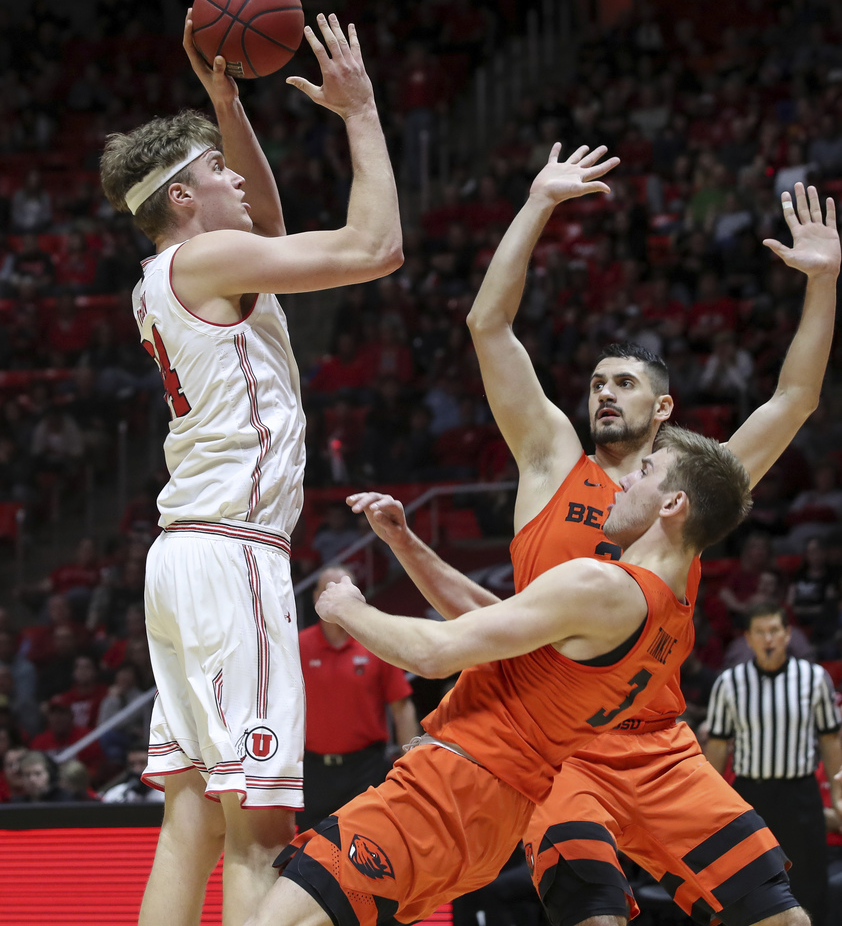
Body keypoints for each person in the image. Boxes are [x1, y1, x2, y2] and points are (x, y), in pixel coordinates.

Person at [462, 145, 840, 926]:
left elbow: (794, 398)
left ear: (663, 408)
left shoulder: (691, 486)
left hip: (660, 744)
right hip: (559, 745)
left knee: (784, 918)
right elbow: (488, 325)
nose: (604, 392)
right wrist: (538, 202)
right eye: (597, 383)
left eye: (624, 383)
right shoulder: (551, 460)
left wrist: (824, 282)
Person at [98, 10, 402, 926]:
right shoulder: (210, 260)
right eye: (216, 170)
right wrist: (360, 112)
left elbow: (265, 219)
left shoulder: (171, 274)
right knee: (262, 832)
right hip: (233, 555)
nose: (235, 173)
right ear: (183, 199)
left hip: (185, 556)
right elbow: (375, 249)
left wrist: (225, 105)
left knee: (191, 818)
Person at [243, 426, 756, 926]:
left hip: (448, 790)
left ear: (673, 504)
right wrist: (405, 542)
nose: (623, 480)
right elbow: (502, 628)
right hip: (493, 820)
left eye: (644, 472)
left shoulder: (602, 585)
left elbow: (433, 655)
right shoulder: (675, 623)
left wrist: (347, 608)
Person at [705, 601, 842, 926]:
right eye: (760, 632)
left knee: (808, 885)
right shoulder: (729, 682)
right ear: (748, 639)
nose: (768, 639)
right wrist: (710, 803)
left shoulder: (814, 678)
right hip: (750, 797)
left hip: (801, 795)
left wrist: (838, 794)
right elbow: (718, 745)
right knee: (748, 885)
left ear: (787, 634)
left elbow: (830, 739)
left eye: (774, 631)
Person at [297, 564, 419, 831]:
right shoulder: (298, 647)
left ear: (356, 595)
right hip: (313, 772)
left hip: (366, 770)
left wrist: (410, 766)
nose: (335, 597)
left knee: (369, 843)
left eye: (343, 590)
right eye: (327, 590)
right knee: (309, 848)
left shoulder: (375, 644)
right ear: (316, 597)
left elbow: (402, 707)